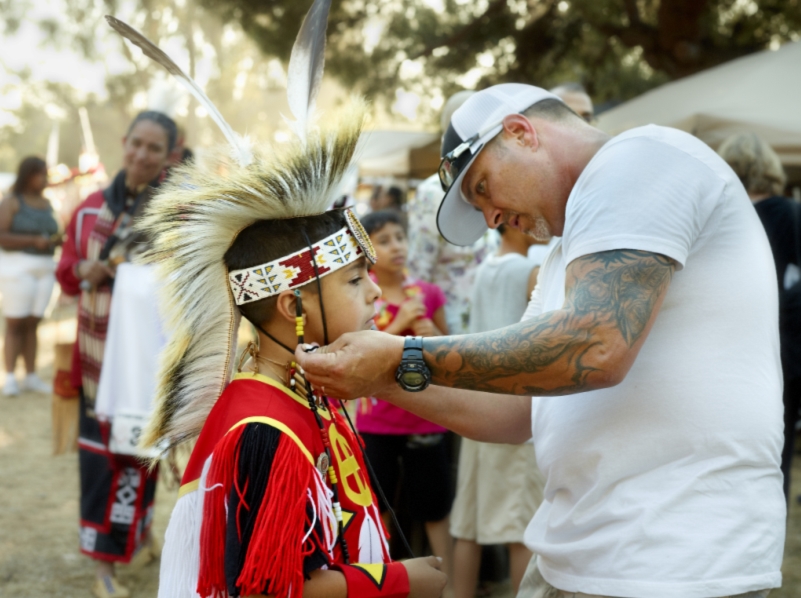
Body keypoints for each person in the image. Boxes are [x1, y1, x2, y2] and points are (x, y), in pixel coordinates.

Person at [296, 83, 786, 598]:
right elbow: (514, 412)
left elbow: (594, 347)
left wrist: (405, 354)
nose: (491, 219)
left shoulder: (642, 160)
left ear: (521, 133)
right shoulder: (566, 251)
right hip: (584, 554)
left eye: (483, 188)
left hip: (672, 562)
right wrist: (383, 376)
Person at [106, 5, 446, 598]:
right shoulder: (264, 429)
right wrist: (397, 581)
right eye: (352, 280)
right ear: (291, 304)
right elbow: (271, 587)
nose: (373, 291)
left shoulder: (306, 388)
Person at [56, 109, 177, 598]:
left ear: (168, 155)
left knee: (141, 457)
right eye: (136, 144)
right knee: (102, 463)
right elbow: (65, 272)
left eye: (154, 148)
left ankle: (138, 536)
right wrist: (83, 268)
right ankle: (103, 568)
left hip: (149, 361)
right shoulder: (87, 212)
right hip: (96, 362)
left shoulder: (175, 213)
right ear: (123, 143)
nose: (141, 155)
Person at [356, 210, 453, 579]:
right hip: (377, 423)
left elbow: (451, 358)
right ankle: (375, 582)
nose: (396, 246)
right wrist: (398, 326)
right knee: (374, 508)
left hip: (426, 418)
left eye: (400, 236)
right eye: (384, 240)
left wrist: (430, 337)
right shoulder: (364, 299)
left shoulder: (427, 294)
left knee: (435, 510)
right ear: (367, 251)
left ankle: (452, 588)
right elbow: (363, 352)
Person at [450, 223, 543, 598]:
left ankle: (459, 593)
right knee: (519, 530)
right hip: (512, 412)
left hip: (476, 406)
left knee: (468, 525)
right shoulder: (530, 272)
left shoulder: (486, 266)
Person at [718, 132, 800, 504]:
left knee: (760, 450)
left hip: (742, 350)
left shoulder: (726, 219)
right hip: (791, 345)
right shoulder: (792, 212)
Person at [406, 91, 494, 336]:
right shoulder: (432, 192)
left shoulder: (498, 178)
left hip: (493, 315)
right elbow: (418, 268)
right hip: (452, 325)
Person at [0, 156, 60, 396]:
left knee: (33, 323)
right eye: (41, 174)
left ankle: (32, 375)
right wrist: (33, 240)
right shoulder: (12, 201)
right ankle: (11, 376)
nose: (45, 179)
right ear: (28, 174)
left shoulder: (47, 203)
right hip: (18, 267)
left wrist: (54, 241)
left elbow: (56, 230)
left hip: (45, 268)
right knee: (16, 323)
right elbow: (1, 235)